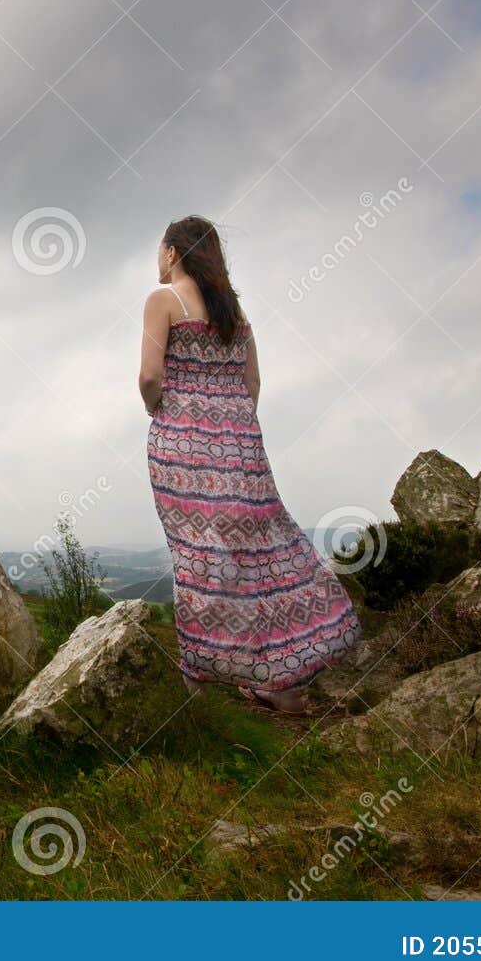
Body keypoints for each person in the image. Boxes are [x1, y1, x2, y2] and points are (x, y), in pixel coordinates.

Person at [139, 215, 359, 714]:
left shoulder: (163, 301)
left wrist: (162, 412)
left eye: (159, 249)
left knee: (200, 556)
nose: (158, 259)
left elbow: (150, 377)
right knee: (262, 553)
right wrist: (232, 427)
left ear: (172, 252)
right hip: (242, 447)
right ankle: (283, 681)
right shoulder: (234, 311)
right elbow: (252, 383)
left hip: (182, 449)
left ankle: (200, 676)